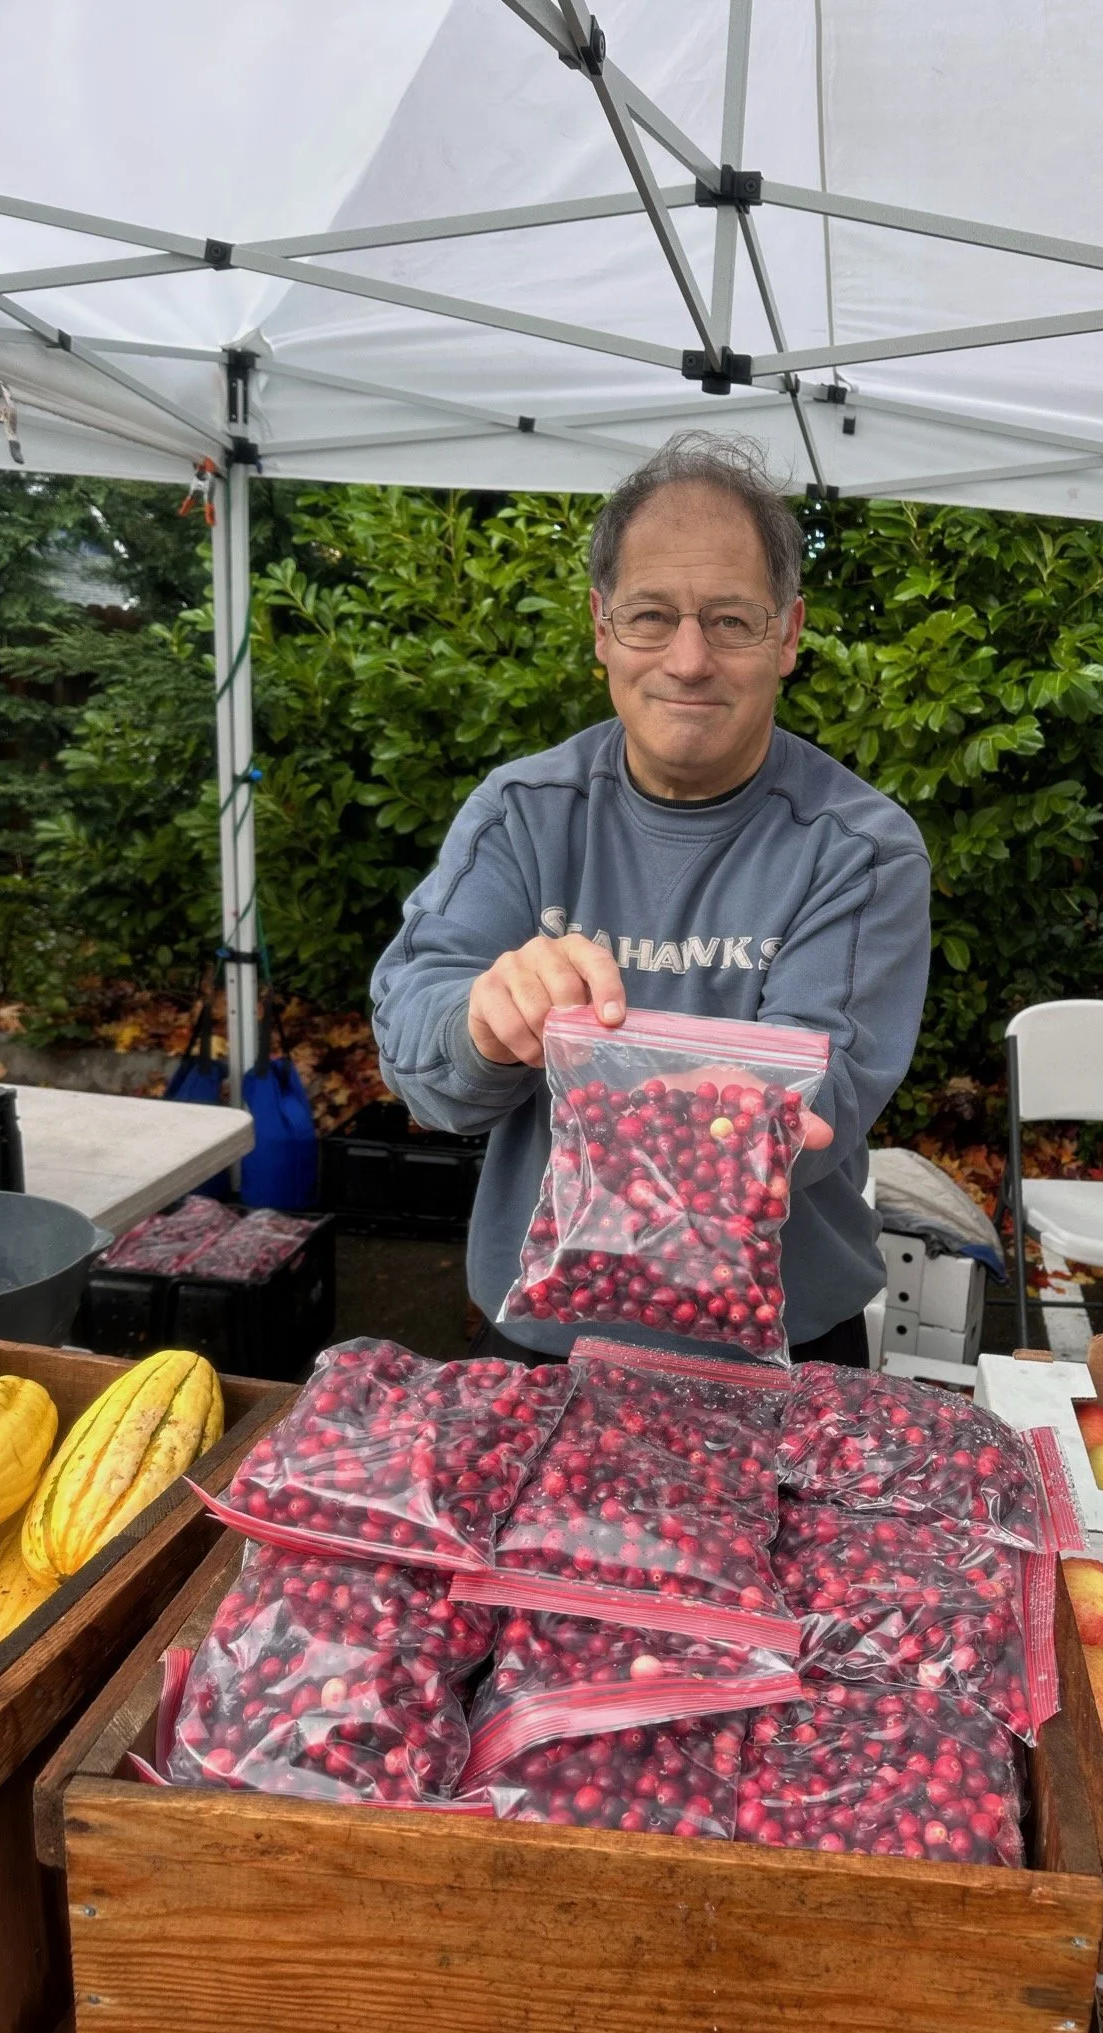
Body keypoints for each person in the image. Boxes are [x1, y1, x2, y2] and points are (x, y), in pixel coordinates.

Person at [371, 432, 931, 1365]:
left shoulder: (859, 848)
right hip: (545, 1332)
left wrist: (678, 1104)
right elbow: (416, 1051)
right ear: (600, 627)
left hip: (781, 1345)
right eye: (649, 616)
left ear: (788, 635)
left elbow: (820, 1096)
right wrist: (485, 1022)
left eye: (730, 619)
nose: (687, 659)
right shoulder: (523, 813)